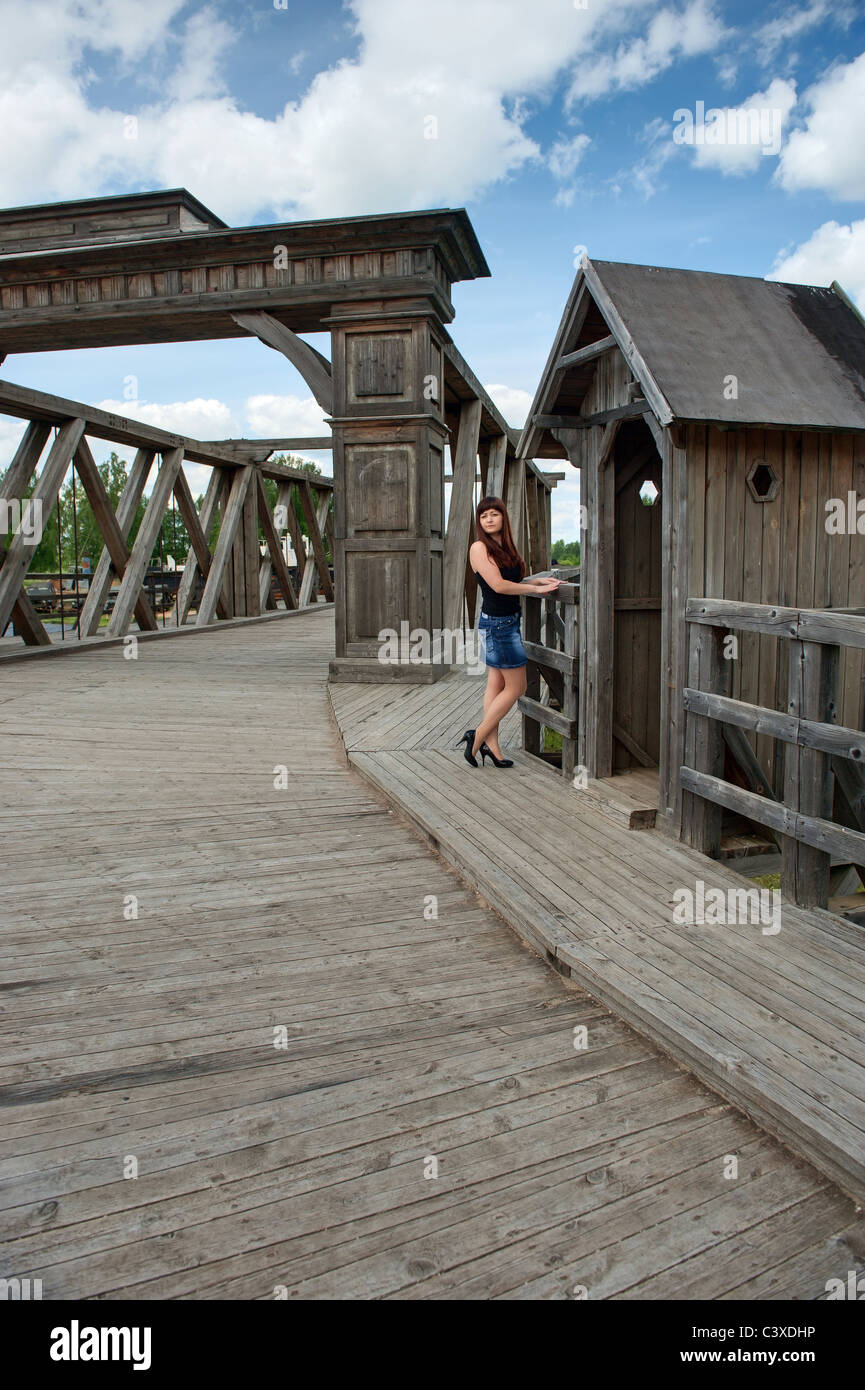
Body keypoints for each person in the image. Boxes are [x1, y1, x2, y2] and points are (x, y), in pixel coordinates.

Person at [456, 496, 559, 768]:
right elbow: (498, 586)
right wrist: (535, 590)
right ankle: (475, 737)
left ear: (503, 517)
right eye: (483, 515)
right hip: (498, 625)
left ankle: (492, 748)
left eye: (494, 514)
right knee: (518, 687)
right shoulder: (479, 547)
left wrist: (534, 580)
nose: (489, 519)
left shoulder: (505, 547)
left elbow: (510, 581)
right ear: (479, 522)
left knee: (496, 684)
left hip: (506, 621)